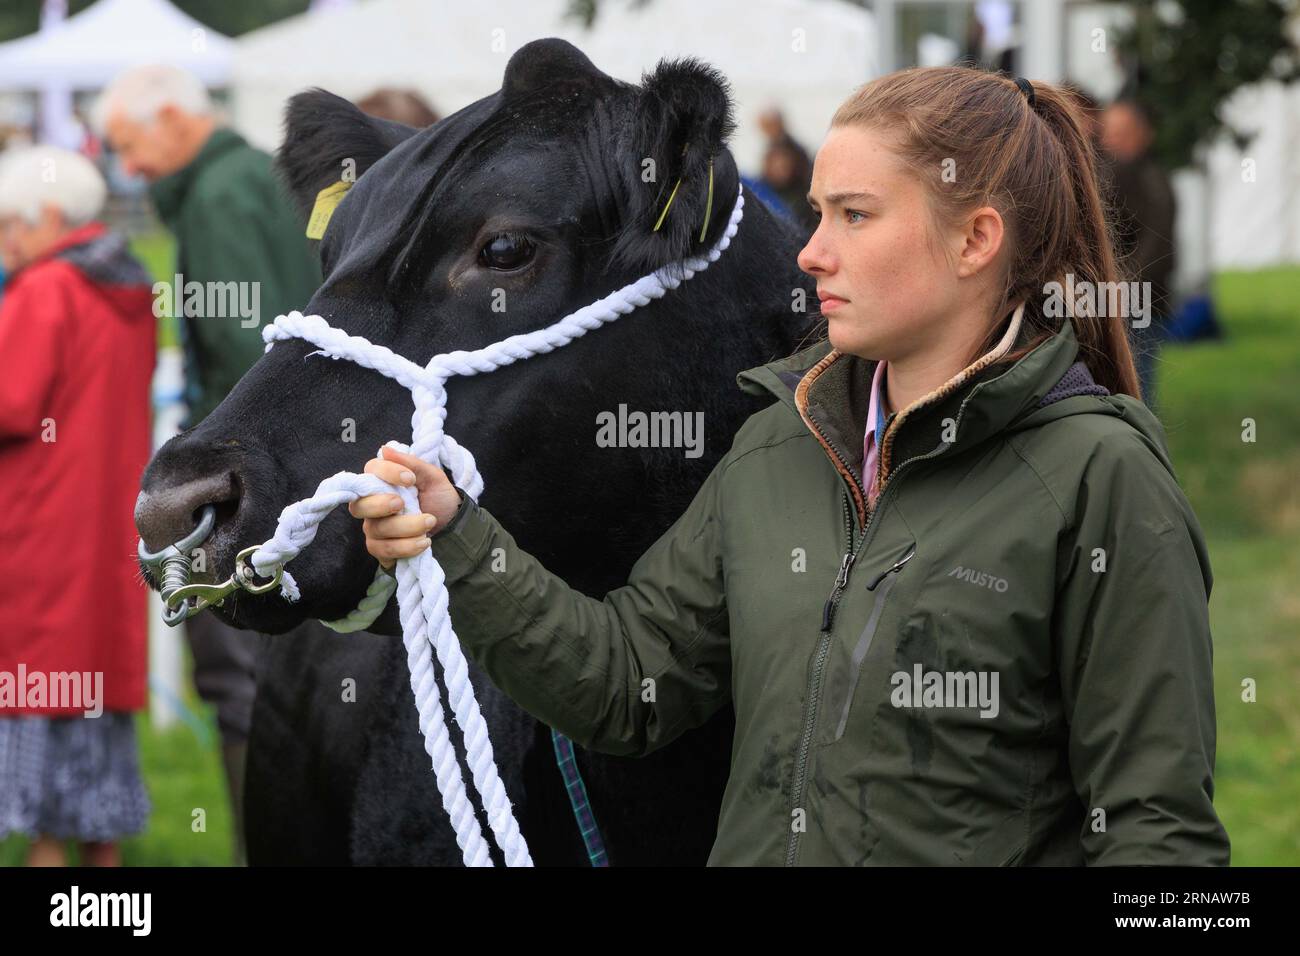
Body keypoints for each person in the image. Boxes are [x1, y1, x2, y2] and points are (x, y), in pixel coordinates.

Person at [345, 68, 1229, 866]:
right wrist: (458, 530)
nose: (811, 253)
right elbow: (626, 684)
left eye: (854, 214)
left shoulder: (1101, 477)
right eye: (815, 214)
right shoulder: (779, 443)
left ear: (976, 241)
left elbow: (1160, 837)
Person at [94, 64, 321, 864]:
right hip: (310, 462)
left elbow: (243, 347)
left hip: (253, 484)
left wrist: (214, 487)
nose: (130, 168)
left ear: (170, 119)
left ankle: (264, 846)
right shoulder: (251, 170)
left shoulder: (220, 195)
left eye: (130, 146)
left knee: (239, 691)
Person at [0, 146, 156, 865]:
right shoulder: (129, 286)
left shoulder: (44, 289)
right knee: (94, 709)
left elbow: (10, 402)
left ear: (51, 216)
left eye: (11, 226)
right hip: (105, 529)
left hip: (38, 529)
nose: (7, 243)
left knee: (39, 714)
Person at [1100, 96, 1176, 412]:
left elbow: (1157, 246)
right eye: (1108, 131)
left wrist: (1122, 285)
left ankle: (1143, 454)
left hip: (1138, 303)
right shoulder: (1113, 174)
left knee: (1137, 392)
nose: (1110, 139)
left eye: (1121, 131)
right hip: (1114, 300)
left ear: (1143, 135)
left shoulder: (1152, 181)